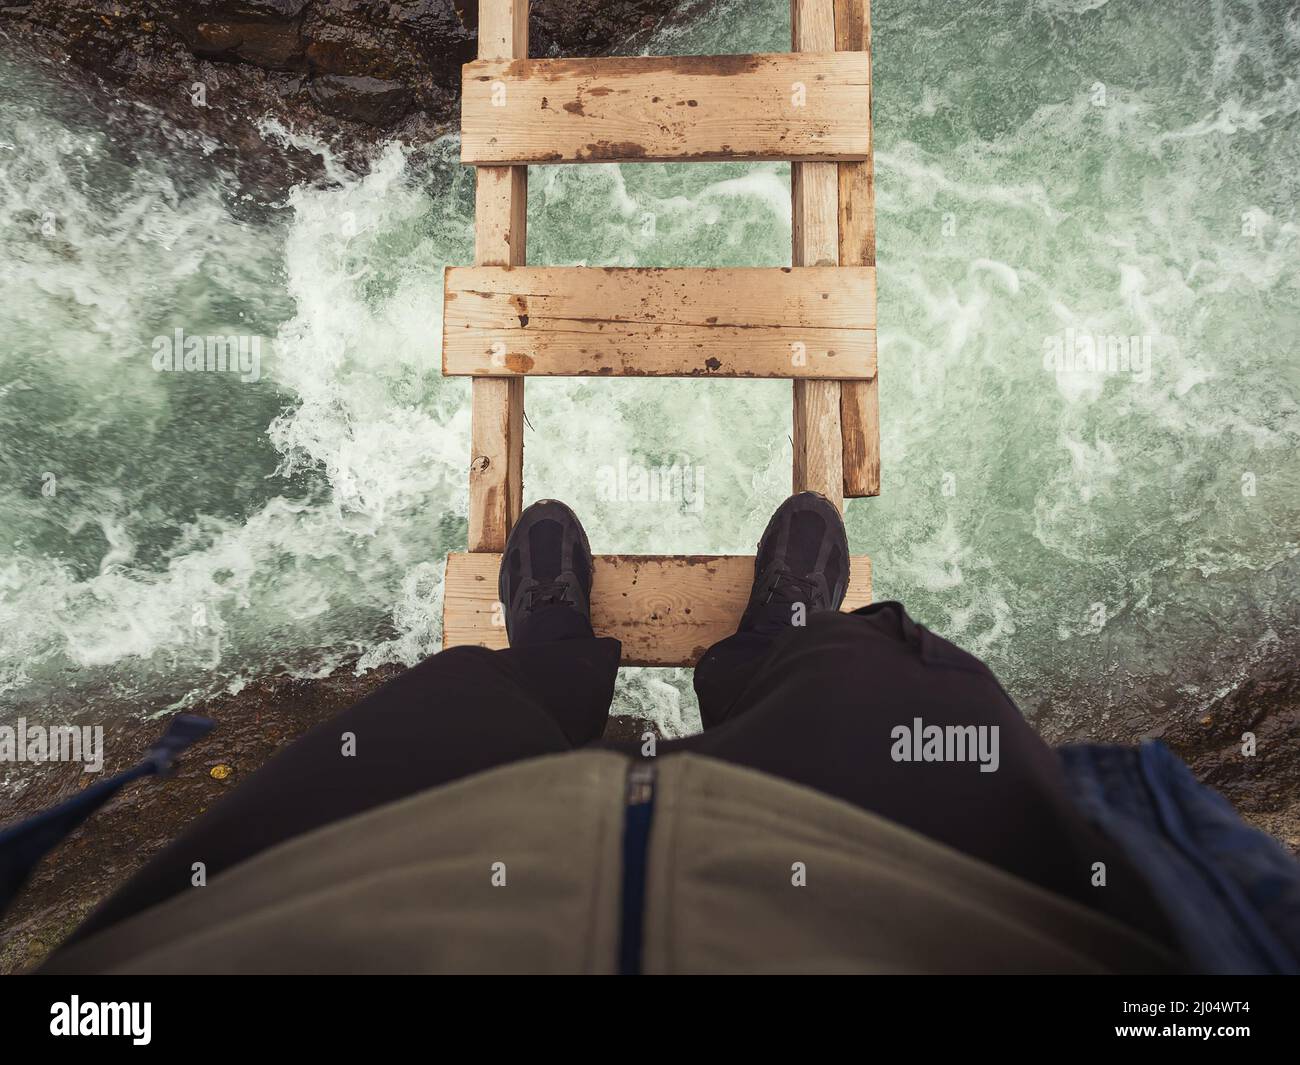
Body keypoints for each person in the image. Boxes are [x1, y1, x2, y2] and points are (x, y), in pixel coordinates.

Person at [40, 495, 1300, 974]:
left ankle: (547, 659)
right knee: (893, 687)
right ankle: (776, 649)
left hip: (331, 897)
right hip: (933, 893)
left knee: (440, 706)